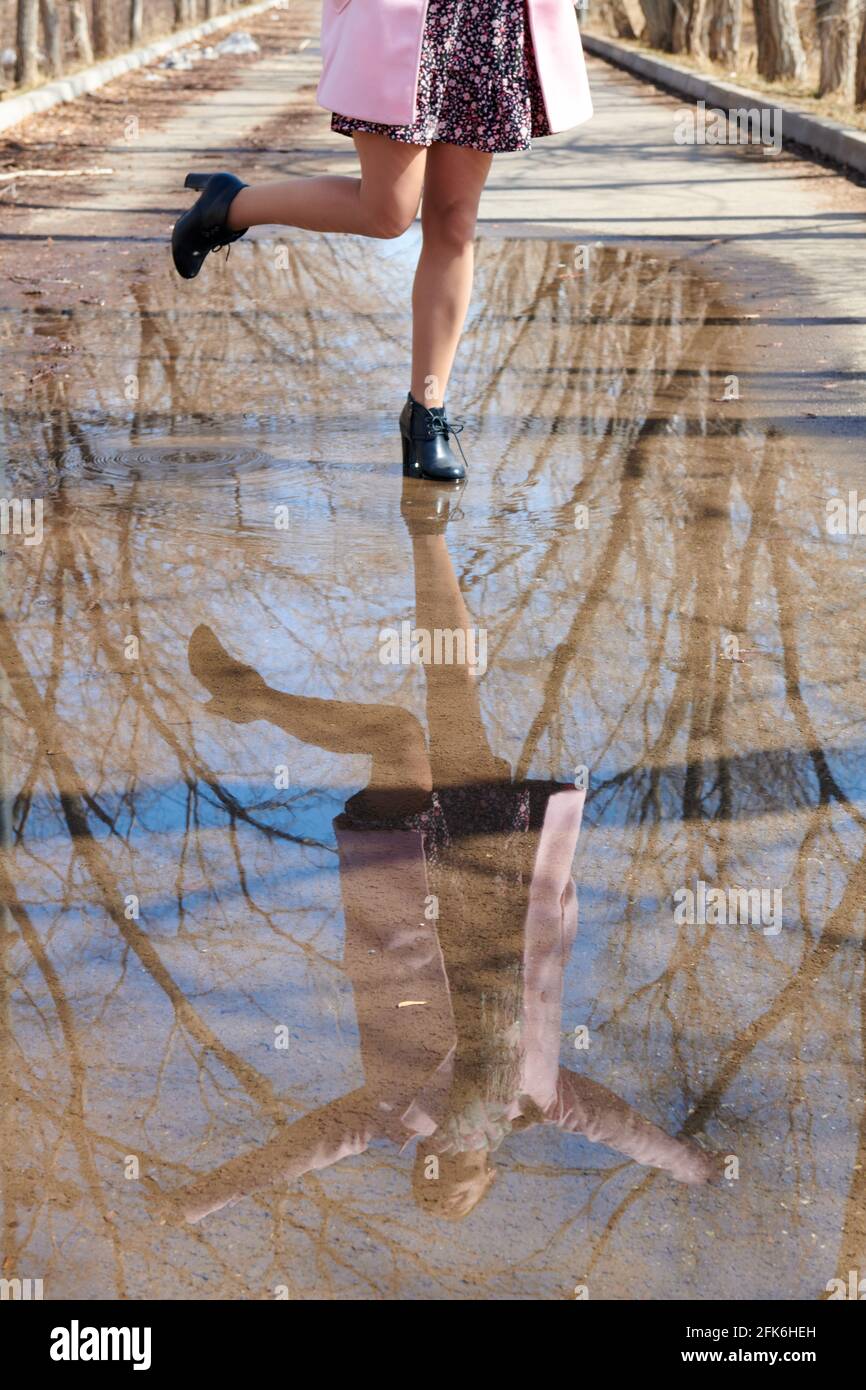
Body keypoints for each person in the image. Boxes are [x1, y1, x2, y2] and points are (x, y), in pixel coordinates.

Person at [162, 480, 719, 1227]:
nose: (440, 1191)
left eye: (425, 1196)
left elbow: (301, 1149)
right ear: (488, 1184)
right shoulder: (542, 1097)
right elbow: (632, 1134)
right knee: (454, 689)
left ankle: (252, 695)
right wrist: (702, 1169)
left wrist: (203, 1199)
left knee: (396, 736)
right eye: (453, 1203)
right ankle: (427, 529)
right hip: (492, 877)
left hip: (407, 880)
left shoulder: (391, 1114)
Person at [170, 1, 593, 481]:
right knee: (387, 212)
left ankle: (426, 415)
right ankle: (227, 207)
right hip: (409, 15)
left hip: (490, 17)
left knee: (454, 221)